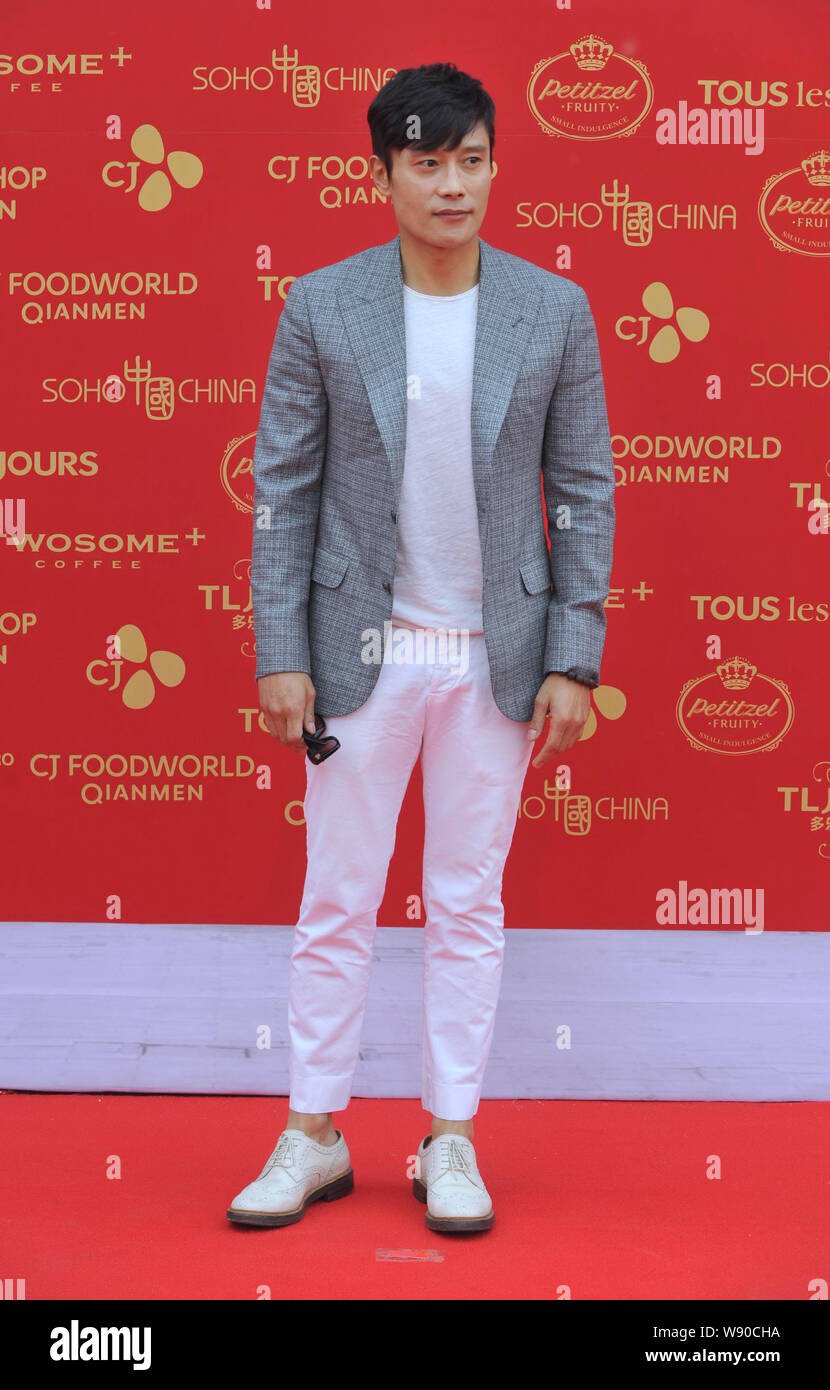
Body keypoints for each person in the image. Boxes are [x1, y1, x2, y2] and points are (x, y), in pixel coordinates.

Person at [228, 61, 615, 1234]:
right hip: (362, 651)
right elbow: (283, 488)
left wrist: (573, 653)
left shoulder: (551, 309)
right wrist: (276, 648)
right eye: (426, 160)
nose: (451, 183)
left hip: (494, 657)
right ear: (382, 171)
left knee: (466, 902)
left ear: (496, 163)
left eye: (471, 159)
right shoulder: (322, 304)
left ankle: (450, 1135)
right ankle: (312, 1132)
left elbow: (584, 490)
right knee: (336, 897)